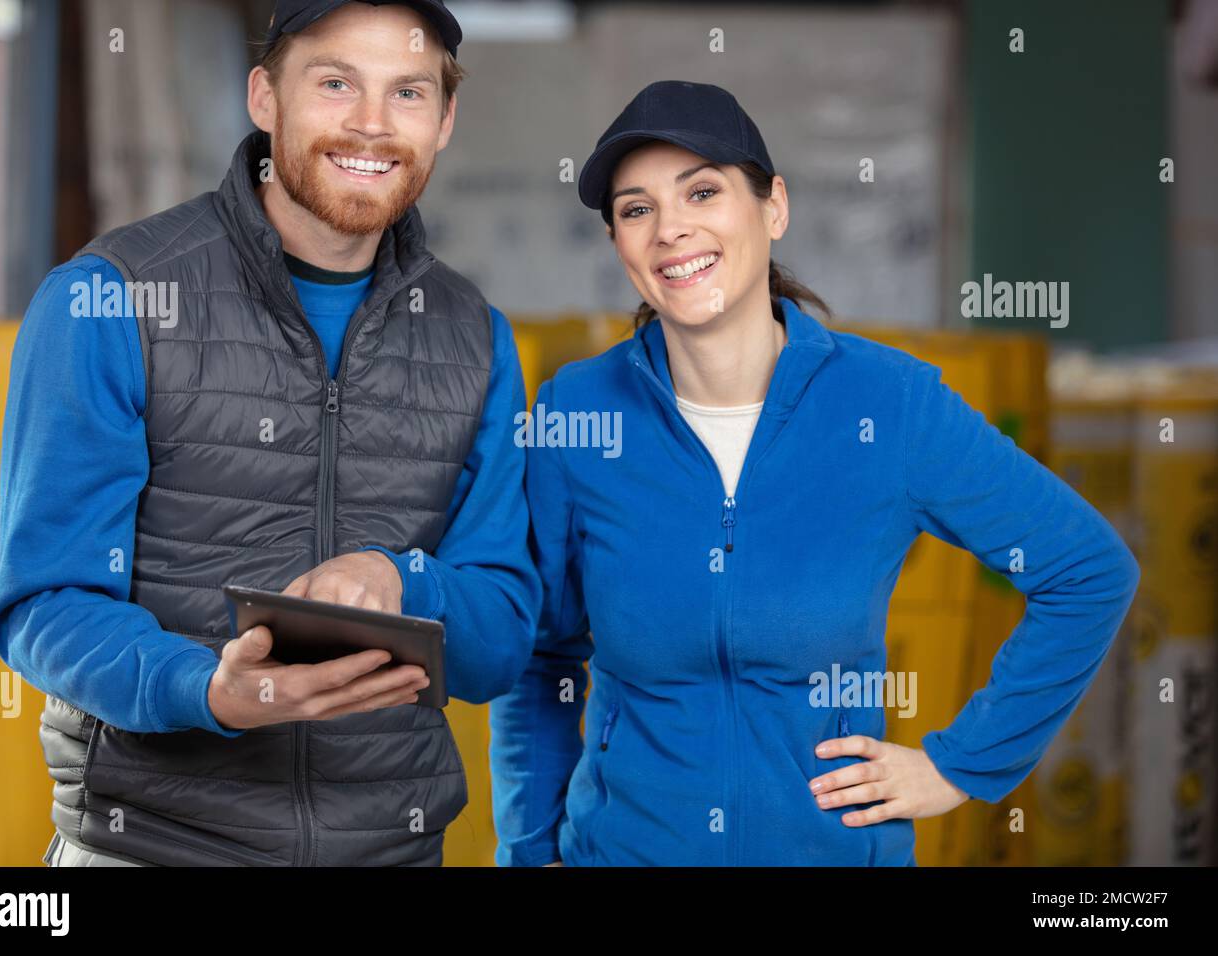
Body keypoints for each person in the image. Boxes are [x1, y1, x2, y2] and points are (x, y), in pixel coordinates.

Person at [488, 80, 1140, 866]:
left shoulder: (890, 404)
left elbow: (1087, 570)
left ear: (773, 209)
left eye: (702, 190)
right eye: (636, 208)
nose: (671, 229)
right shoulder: (577, 414)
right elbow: (542, 660)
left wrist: (961, 764)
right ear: (620, 243)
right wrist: (529, 853)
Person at [0, 0, 539, 867]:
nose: (371, 122)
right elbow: (42, 603)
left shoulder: (476, 337)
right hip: (156, 849)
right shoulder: (109, 299)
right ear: (263, 98)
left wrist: (402, 584)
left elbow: (503, 635)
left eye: (408, 92)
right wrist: (206, 688)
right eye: (334, 83)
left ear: (444, 121)